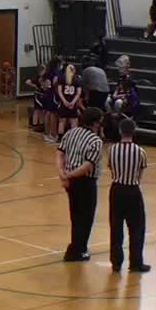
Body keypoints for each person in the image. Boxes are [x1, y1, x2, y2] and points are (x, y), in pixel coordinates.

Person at [58, 107, 104, 262]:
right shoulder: (95, 141)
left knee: (75, 215)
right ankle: (78, 249)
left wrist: (62, 174)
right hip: (86, 181)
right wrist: (69, 174)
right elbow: (88, 166)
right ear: (96, 123)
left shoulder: (70, 133)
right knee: (86, 217)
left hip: (71, 182)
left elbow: (60, 154)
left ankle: (76, 247)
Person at [108, 118, 151, 274]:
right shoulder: (140, 151)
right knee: (137, 228)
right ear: (134, 131)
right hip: (132, 190)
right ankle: (136, 263)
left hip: (116, 189)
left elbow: (112, 169)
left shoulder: (112, 149)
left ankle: (116, 262)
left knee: (116, 226)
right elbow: (140, 174)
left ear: (120, 131)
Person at [105, 77, 141, 142]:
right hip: (124, 113)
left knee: (111, 118)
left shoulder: (133, 95)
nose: (120, 86)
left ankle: (116, 139)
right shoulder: (128, 92)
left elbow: (131, 109)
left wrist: (119, 114)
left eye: (122, 84)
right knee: (108, 115)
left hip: (129, 115)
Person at [56, 64, 83, 138]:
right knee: (73, 120)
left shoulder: (62, 78)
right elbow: (78, 93)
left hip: (63, 103)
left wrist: (64, 101)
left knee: (62, 121)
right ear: (74, 70)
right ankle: (73, 138)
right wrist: (73, 102)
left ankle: (60, 138)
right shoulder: (77, 79)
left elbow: (59, 91)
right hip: (72, 104)